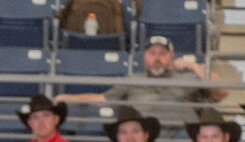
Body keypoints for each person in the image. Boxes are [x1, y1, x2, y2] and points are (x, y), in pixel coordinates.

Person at [56, 35, 227, 126]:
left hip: (182, 136)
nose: (157, 58)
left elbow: (221, 92)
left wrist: (193, 65)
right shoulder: (133, 80)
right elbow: (103, 99)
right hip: (144, 137)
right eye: (152, 53)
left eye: (163, 53)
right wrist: (68, 98)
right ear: (145, 57)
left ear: (171, 56)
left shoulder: (188, 77)